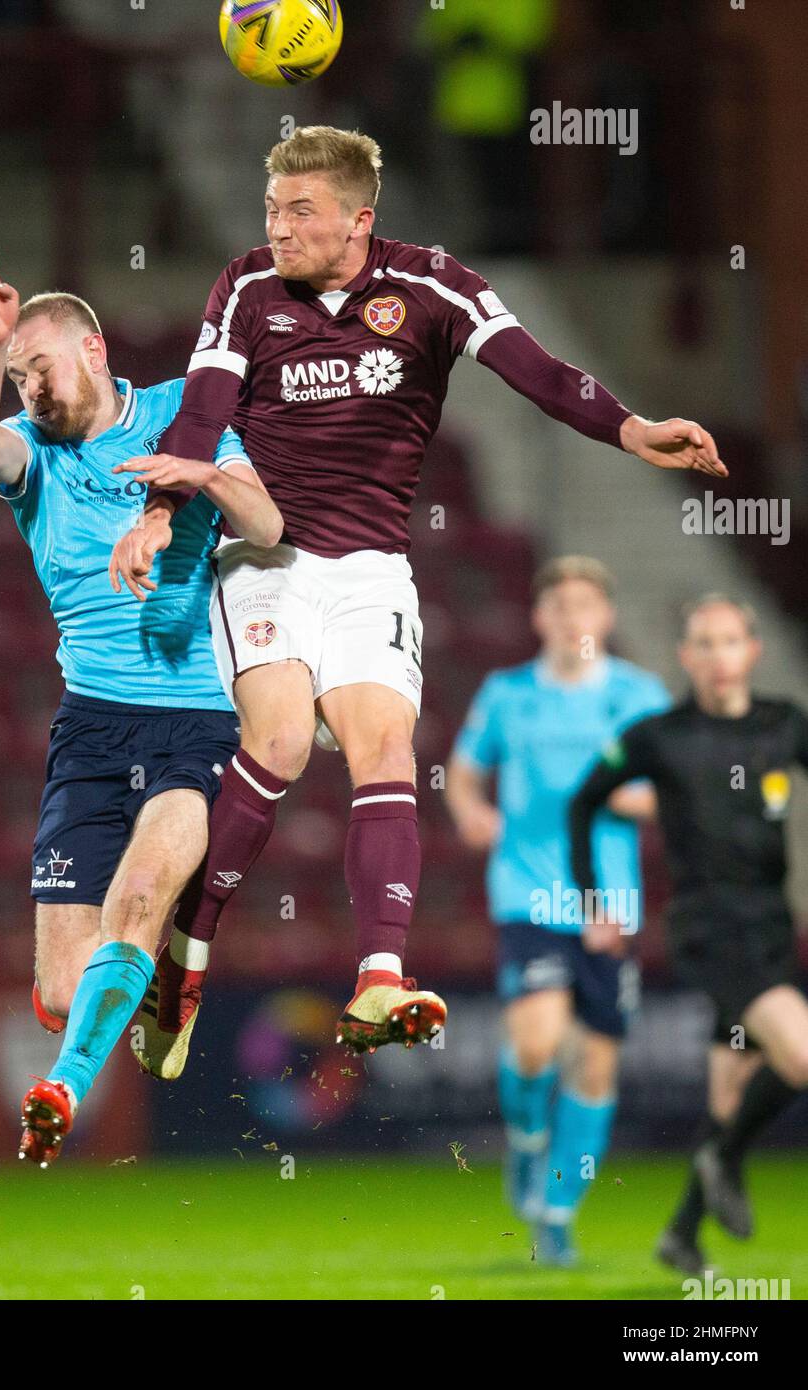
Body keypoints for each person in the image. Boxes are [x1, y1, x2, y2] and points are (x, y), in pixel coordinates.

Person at [108, 124, 725, 1078]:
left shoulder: (432, 284)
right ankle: (189, 945)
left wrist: (632, 429)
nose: (277, 228)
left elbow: (538, 370)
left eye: (300, 212)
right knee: (275, 741)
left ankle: (379, 977)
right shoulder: (245, 289)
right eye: (272, 209)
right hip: (265, 555)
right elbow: (201, 412)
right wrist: (158, 512)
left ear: (359, 220)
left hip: (370, 571)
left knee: (385, 749)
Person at [0, 246, 282, 1165]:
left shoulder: (185, 411)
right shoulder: (34, 458)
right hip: (91, 728)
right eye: (17, 377)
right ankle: (161, 970)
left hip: (200, 718)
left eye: (37, 367)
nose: (29, 389)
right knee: (62, 987)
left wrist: (190, 485)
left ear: (93, 350)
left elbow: (267, 525)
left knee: (138, 897)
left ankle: (60, 1087)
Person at [570, 594, 808, 1273]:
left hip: (771, 924)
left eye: (729, 641)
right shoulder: (658, 736)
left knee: (728, 1094)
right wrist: (594, 904)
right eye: (702, 643)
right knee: (798, 1058)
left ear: (752, 649)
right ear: (684, 657)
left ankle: (680, 1234)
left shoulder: (782, 724)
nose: (716, 656)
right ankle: (723, 1158)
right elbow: (584, 801)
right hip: (708, 927)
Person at [446, 556, 669, 1265]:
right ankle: (525, 1139)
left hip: (608, 906)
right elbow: (462, 768)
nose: (573, 618)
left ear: (604, 616)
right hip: (527, 892)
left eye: (585, 606)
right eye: (560, 606)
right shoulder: (508, 694)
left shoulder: (638, 696)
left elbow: (673, 788)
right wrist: (470, 809)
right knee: (537, 1043)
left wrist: (626, 797)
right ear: (540, 616)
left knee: (594, 1070)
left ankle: (557, 1212)